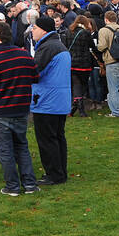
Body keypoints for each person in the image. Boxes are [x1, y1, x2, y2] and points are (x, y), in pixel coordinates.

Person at [0, 22, 40, 196]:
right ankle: (29, 184)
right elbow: (35, 77)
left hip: (1, 111)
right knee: (21, 146)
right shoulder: (24, 55)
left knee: (6, 150)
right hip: (20, 108)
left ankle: (13, 186)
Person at [29, 15, 72, 186]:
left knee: (47, 140)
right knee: (57, 138)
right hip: (58, 100)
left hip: (47, 101)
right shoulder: (57, 45)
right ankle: (60, 172)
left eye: (35, 28)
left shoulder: (48, 47)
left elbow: (34, 72)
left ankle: (53, 174)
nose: (32, 31)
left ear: (44, 30)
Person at [97, 11, 119, 118]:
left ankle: (116, 111)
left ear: (106, 19)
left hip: (111, 61)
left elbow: (102, 47)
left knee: (113, 88)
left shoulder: (103, 31)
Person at [63, 16, 97, 117]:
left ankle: (74, 108)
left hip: (72, 62)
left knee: (76, 85)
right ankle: (81, 110)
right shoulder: (86, 33)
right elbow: (92, 46)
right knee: (83, 85)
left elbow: (65, 46)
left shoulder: (68, 31)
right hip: (84, 63)